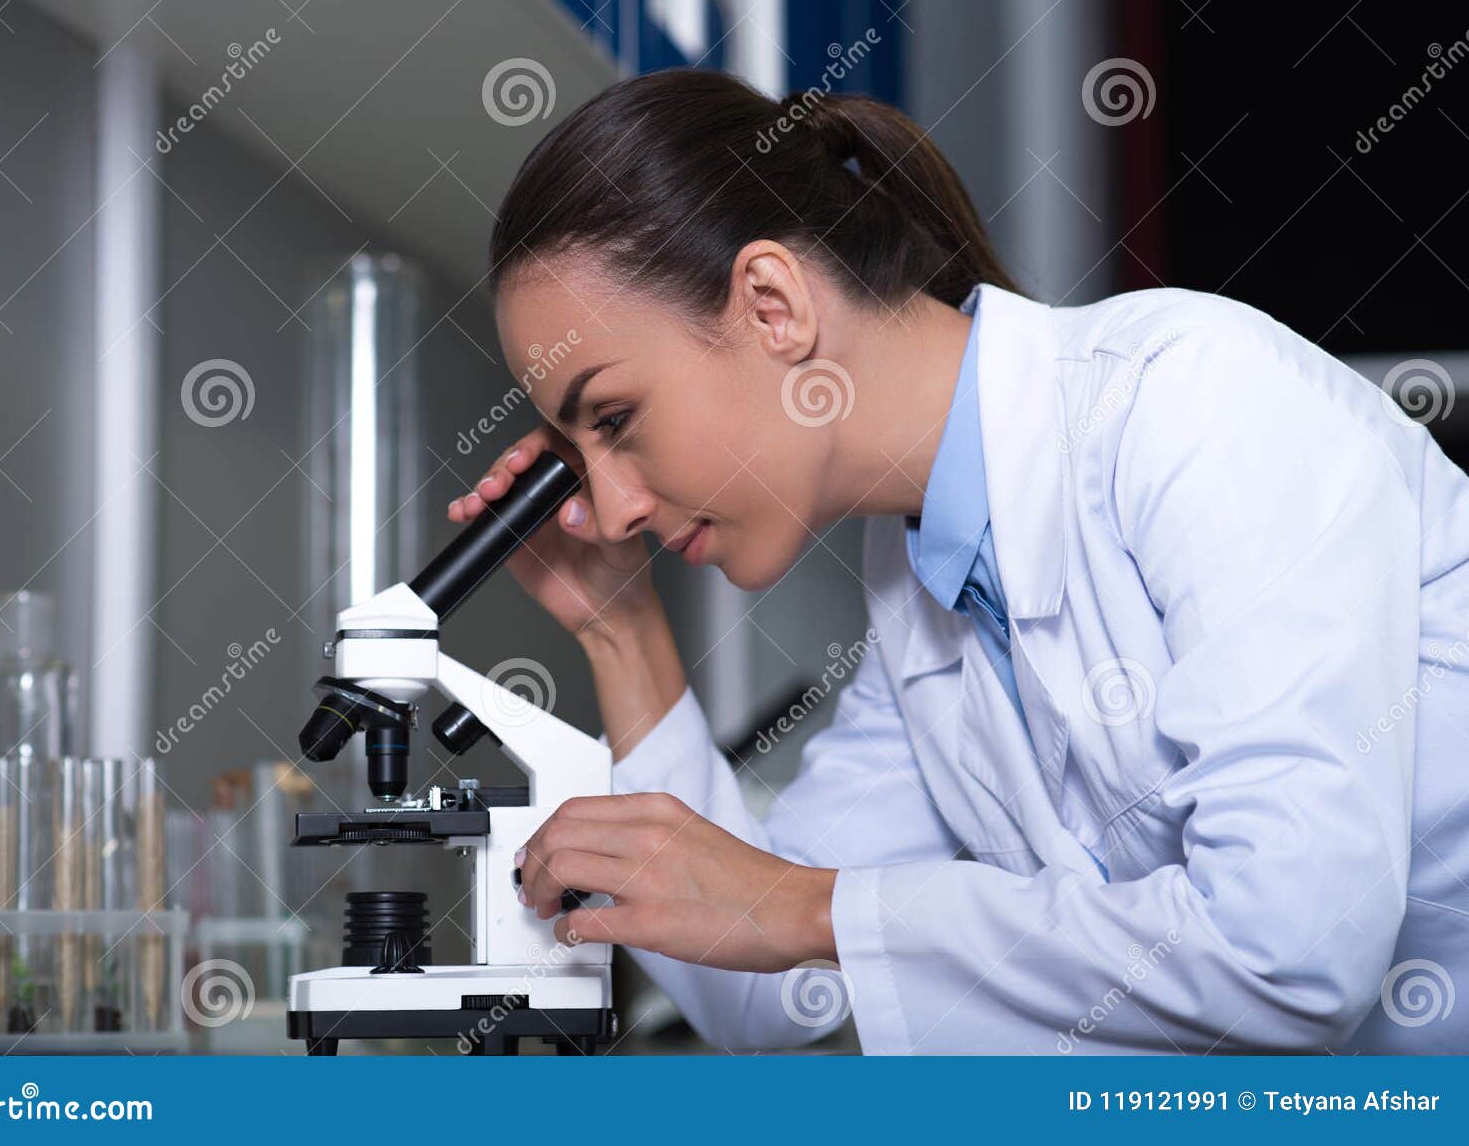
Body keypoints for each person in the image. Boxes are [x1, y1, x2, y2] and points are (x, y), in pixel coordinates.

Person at [447, 68, 1469, 1054]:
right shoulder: (923, 588)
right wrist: (618, 629)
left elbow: (1290, 952)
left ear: (772, 305)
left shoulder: (1196, 401)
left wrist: (806, 907)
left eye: (614, 418)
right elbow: (761, 987)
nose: (614, 509)